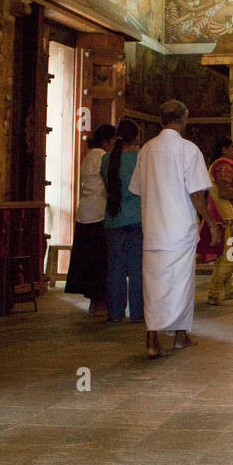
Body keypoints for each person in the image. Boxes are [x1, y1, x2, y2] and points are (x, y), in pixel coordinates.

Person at [129, 100, 218, 359]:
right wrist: (210, 221)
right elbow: (196, 193)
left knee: (153, 285)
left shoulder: (146, 150)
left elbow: (137, 189)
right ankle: (179, 336)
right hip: (179, 230)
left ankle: (153, 339)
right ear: (184, 119)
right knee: (180, 284)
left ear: (161, 120)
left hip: (154, 230)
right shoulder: (188, 150)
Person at [66, 123, 116, 316]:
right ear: (106, 141)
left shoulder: (89, 156)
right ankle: (100, 302)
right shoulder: (102, 156)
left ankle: (95, 302)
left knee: (88, 258)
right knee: (99, 260)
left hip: (85, 210)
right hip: (98, 212)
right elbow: (110, 182)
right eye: (113, 142)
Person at [198, 136, 233, 305]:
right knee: (231, 255)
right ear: (224, 149)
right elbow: (224, 192)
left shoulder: (222, 165)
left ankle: (229, 285)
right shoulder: (224, 167)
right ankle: (214, 291)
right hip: (226, 216)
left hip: (228, 215)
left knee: (227, 254)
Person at [102, 119, 143, 324]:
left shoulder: (107, 160)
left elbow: (109, 186)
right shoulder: (140, 158)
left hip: (113, 218)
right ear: (136, 137)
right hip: (138, 218)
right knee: (137, 269)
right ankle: (138, 313)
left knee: (116, 268)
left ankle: (115, 313)